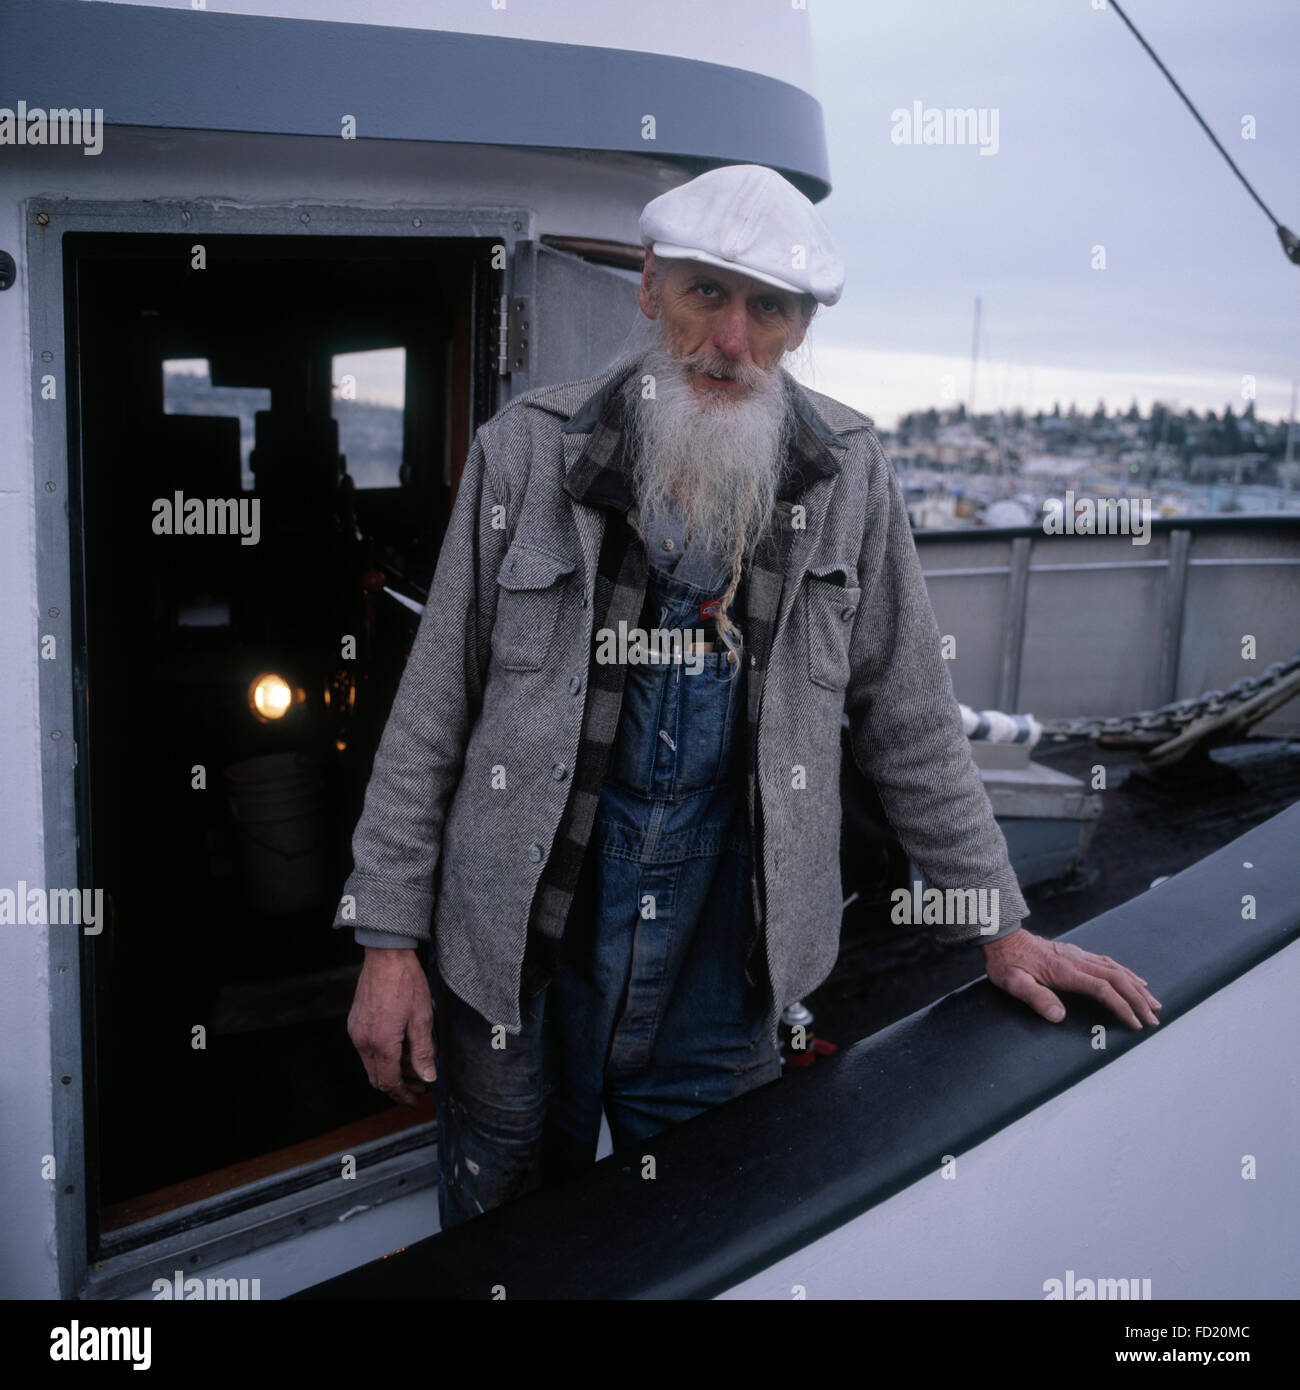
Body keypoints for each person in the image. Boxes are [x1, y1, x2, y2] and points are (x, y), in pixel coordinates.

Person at [337, 164, 1161, 1230]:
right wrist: (389, 942)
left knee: (716, 1233)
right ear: (648, 287)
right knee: (501, 1233)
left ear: (800, 327)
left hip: (724, 975)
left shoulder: (850, 475)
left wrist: (998, 925)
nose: (729, 341)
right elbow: (433, 711)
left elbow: (909, 718)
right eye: (704, 294)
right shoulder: (524, 455)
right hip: (518, 956)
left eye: (765, 307)